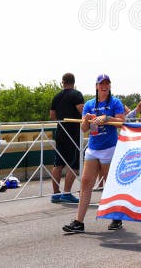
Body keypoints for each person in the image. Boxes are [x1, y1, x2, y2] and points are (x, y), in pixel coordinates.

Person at [63, 73, 125, 233]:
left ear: (110, 85)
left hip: (109, 148)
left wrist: (107, 118)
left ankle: (116, 217)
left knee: (109, 184)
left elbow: (121, 122)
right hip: (93, 148)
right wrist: (86, 120)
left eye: (107, 83)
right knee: (85, 183)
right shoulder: (89, 104)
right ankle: (79, 222)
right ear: (96, 86)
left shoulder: (115, 102)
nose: (104, 86)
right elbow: (84, 129)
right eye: (101, 83)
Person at [49, 72, 85, 204]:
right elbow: (82, 111)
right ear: (74, 82)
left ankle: (56, 194)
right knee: (74, 163)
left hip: (60, 132)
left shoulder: (57, 96)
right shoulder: (77, 95)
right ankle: (67, 193)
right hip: (73, 133)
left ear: (62, 82)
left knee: (58, 163)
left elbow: (52, 115)